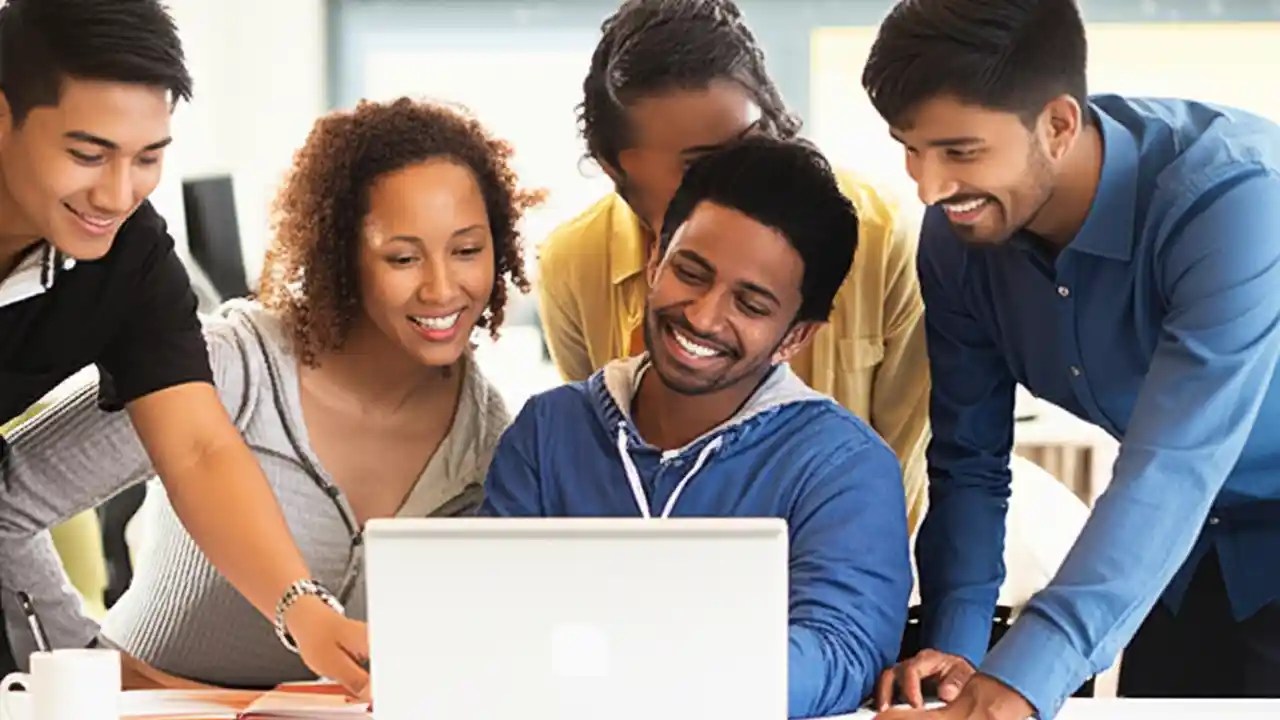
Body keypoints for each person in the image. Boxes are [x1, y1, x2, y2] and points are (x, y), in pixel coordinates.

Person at [0, 97, 536, 688]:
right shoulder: (231, 366)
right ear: (341, 255)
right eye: (402, 257)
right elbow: (6, 500)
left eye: (467, 250)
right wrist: (103, 678)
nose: (441, 288)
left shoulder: (494, 447)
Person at [861, 1, 1280, 719]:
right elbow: (968, 459)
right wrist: (960, 650)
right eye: (910, 147)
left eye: (960, 152)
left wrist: (1029, 670)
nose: (928, 189)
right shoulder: (958, 237)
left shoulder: (1234, 200)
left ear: (1057, 124)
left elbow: (1172, 464)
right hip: (1185, 554)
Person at [0, 0, 366, 686]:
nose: (116, 192)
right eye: (87, 154)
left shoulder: (129, 255)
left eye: (147, 158)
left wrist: (304, 611)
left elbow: (198, 447)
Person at [482, 137, 913, 719]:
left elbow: (841, 652)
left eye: (751, 304)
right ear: (657, 259)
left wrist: (643, 673)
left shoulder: (844, 466)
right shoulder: (548, 430)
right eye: (690, 272)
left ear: (795, 336)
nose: (705, 316)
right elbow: (492, 620)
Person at [537, 0, 930, 532]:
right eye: (701, 164)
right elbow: (598, 474)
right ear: (615, 170)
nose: (742, 177)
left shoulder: (886, 241)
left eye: (752, 141)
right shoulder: (573, 266)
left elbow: (900, 483)